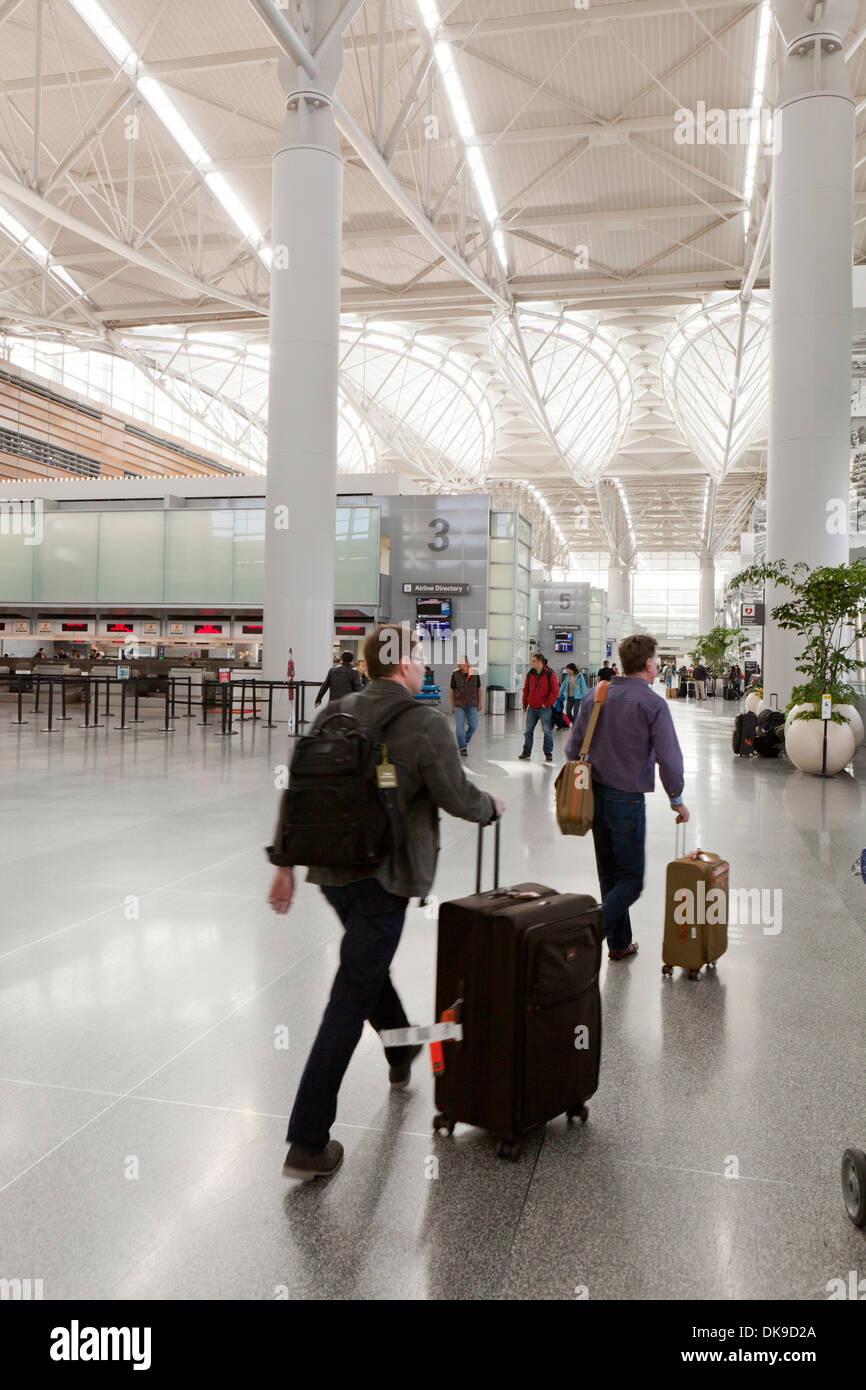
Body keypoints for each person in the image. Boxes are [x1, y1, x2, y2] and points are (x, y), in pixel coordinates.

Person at [267, 623, 504, 1181]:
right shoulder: (425, 723)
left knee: (364, 964)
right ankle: (307, 1138)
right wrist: (491, 805)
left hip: (331, 872)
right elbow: (456, 796)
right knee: (349, 995)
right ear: (401, 664)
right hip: (387, 877)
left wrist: (284, 863)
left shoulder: (335, 712)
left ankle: (400, 1047)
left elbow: (298, 785)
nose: (424, 666)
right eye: (419, 657)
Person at [566, 634, 689, 961]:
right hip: (627, 800)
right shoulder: (652, 704)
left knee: (609, 876)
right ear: (650, 664)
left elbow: (571, 748)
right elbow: (670, 759)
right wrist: (676, 799)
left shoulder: (597, 694)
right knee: (631, 881)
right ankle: (582, 937)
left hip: (594, 797)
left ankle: (619, 943)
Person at [519, 652, 559, 763]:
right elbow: (526, 689)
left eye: (534, 661)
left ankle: (548, 753)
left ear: (540, 662)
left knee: (547, 731)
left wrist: (547, 704)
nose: (532, 663)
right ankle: (526, 752)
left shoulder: (550, 674)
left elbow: (555, 691)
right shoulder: (530, 673)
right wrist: (524, 704)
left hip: (544, 708)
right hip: (532, 707)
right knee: (528, 731)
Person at [450, 656, 482, 756]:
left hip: (472, 703)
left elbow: (479, 689)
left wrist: (480, 702)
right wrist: (452, 705)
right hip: (459, 704)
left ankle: (464, 740)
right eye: (458, 662)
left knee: (473, 726)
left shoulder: (475, 673)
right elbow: (452, 690)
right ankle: (463, 747)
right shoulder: (455, 674)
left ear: (467, 662)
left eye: (460, 662)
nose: (459, 665)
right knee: (460, 728)